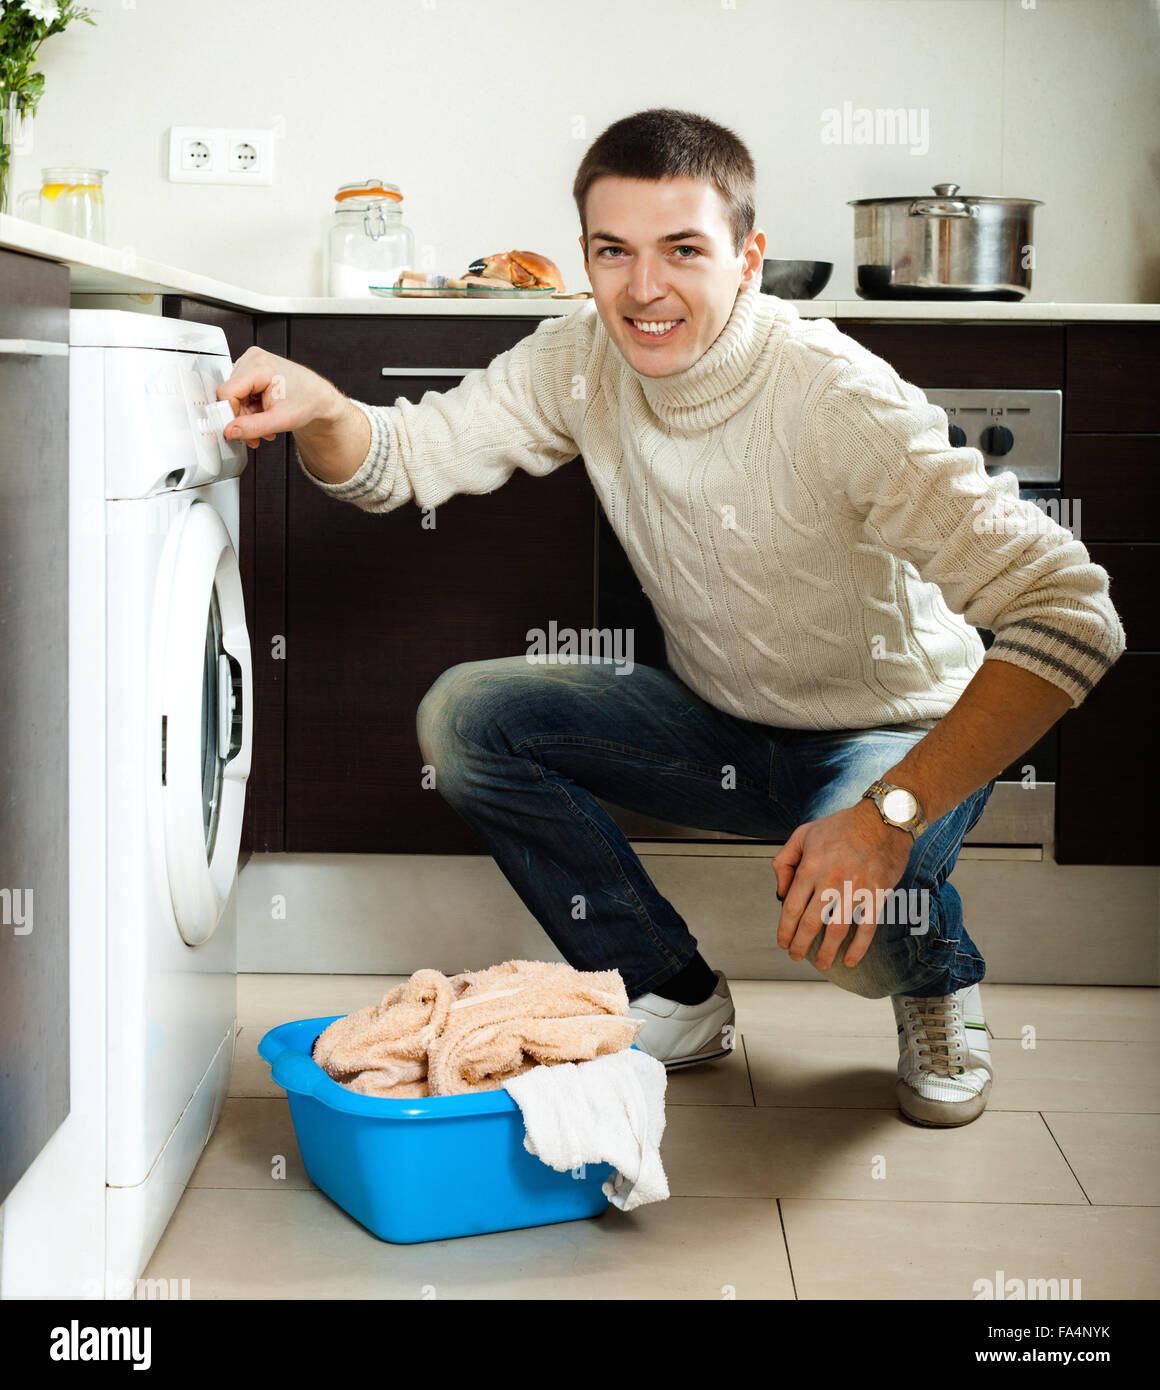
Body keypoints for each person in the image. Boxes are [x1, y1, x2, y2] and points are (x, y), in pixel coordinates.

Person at [217, 107, 1125, 1128]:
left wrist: (884, 819)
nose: (642, 290)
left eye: (682, 250)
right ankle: (673, 996)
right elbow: (401, 461)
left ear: (748, 258)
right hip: (717, 720)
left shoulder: (836, 400)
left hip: (889, 729)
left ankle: (935, 979)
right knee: (468, 717)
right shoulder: (580, 356)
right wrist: (327, 408)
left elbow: (1072, 614)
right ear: (587, 257)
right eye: (614, 252)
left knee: (860, 929)